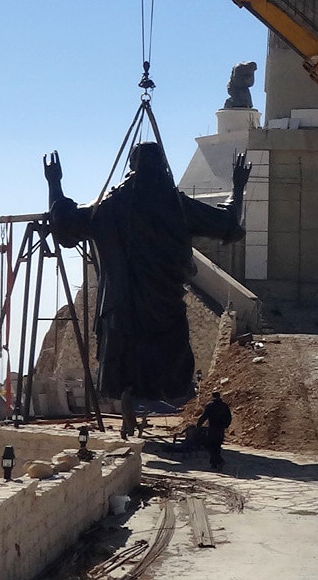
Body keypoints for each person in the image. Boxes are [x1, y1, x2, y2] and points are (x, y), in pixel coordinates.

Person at [44, 142, 248, 414]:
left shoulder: (108, 206)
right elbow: (228, 225)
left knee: (127, 360)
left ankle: (132, 398)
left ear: (131, 165)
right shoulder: (176, 205)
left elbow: (65, 226)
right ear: (163, 164)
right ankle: (161, 401)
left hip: (119, 306)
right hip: (164, 304)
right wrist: (237, 188)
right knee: (169, 361)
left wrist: (54, 185)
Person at [197, 391, 233, 472]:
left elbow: (204, 416)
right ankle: (214, 464)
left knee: (210, 446)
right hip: (221, 429)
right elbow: (229, 417)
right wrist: (226, 425)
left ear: (212, 396)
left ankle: (220, 461)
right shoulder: (224, 406)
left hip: (212, 428)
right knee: (217, 446)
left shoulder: (210, 405)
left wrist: (198, 425)